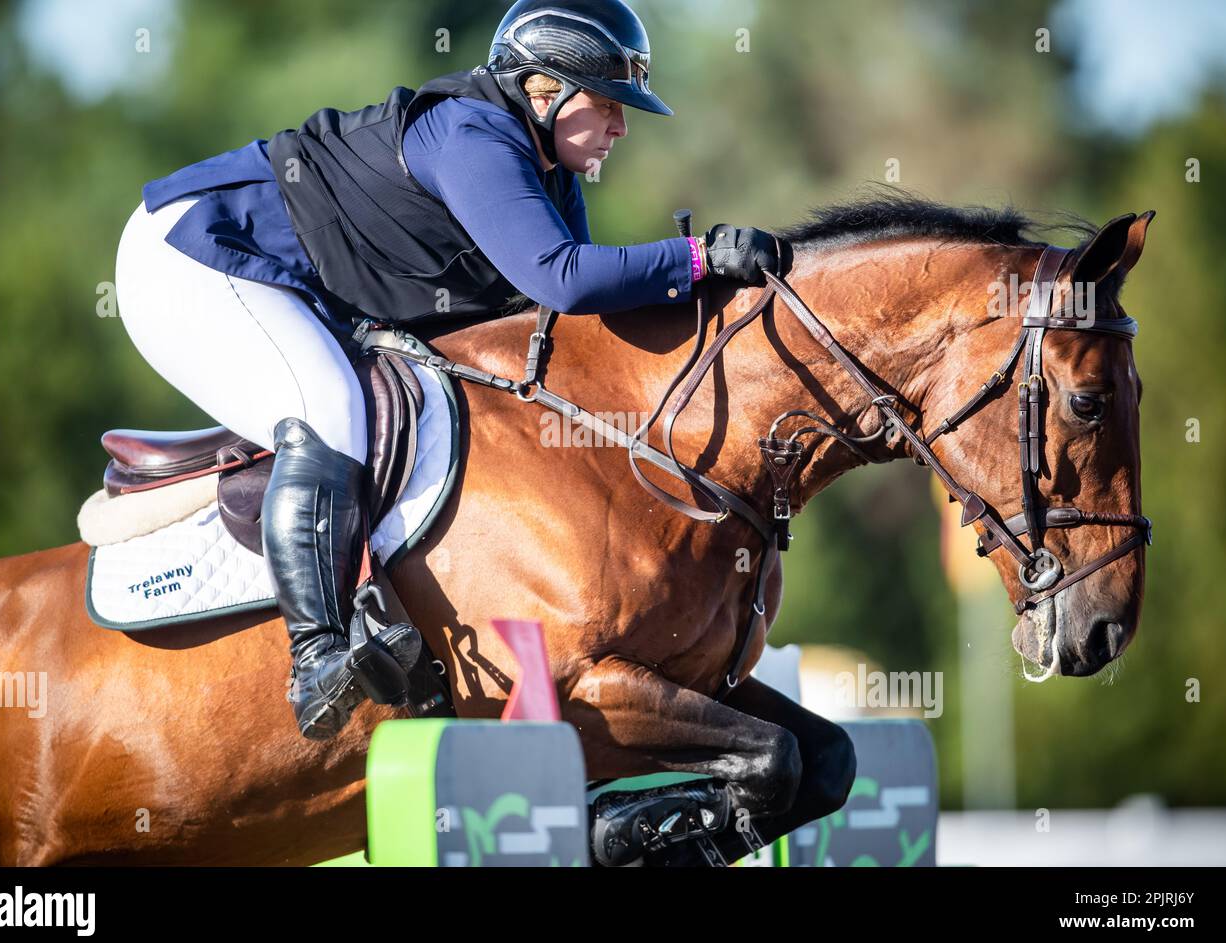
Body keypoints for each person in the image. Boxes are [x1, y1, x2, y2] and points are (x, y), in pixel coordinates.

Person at [112, 0, 791, 740]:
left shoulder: (550, 170)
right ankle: (317, 656)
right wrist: (696, 260)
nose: (622, 127)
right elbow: (561, 277)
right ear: (543, 91)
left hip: (282, 279)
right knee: (331, 406)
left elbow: (566, 326)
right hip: (194, 257)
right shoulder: (474, 135)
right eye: (607, 105)